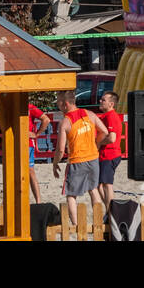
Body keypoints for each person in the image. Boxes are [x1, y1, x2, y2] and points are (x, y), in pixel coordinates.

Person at [51, 90, 113, 230]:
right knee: (93, 190)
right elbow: (104, 132)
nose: (57, 105)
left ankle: (76, 226)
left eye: (58, 103)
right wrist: (95, 144)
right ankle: (97, 221)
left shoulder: (65, 122)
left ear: (65, 104)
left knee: (71, 195)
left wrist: (55, 163)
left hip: (77, 160)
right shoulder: (89, 114)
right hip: (93, 158)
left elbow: (60, 149)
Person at [95, 91, 124, 213]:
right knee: (99, 185)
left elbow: (112, 138)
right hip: (105, 155)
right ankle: (109, 210)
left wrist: (99, 143)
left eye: (103, 100)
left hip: (110, 154)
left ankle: (111, 212)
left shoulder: (111, 116)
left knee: (107, 184)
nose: (100, 102)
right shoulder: (106, 116)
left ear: (111, 104)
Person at [26, 100, 49, 204]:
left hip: (27, 144)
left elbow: (46, 119)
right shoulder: (11, 106)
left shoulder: (30, 106)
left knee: (30, 172)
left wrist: (36, 134)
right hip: (13, 142)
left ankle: (38, 201)